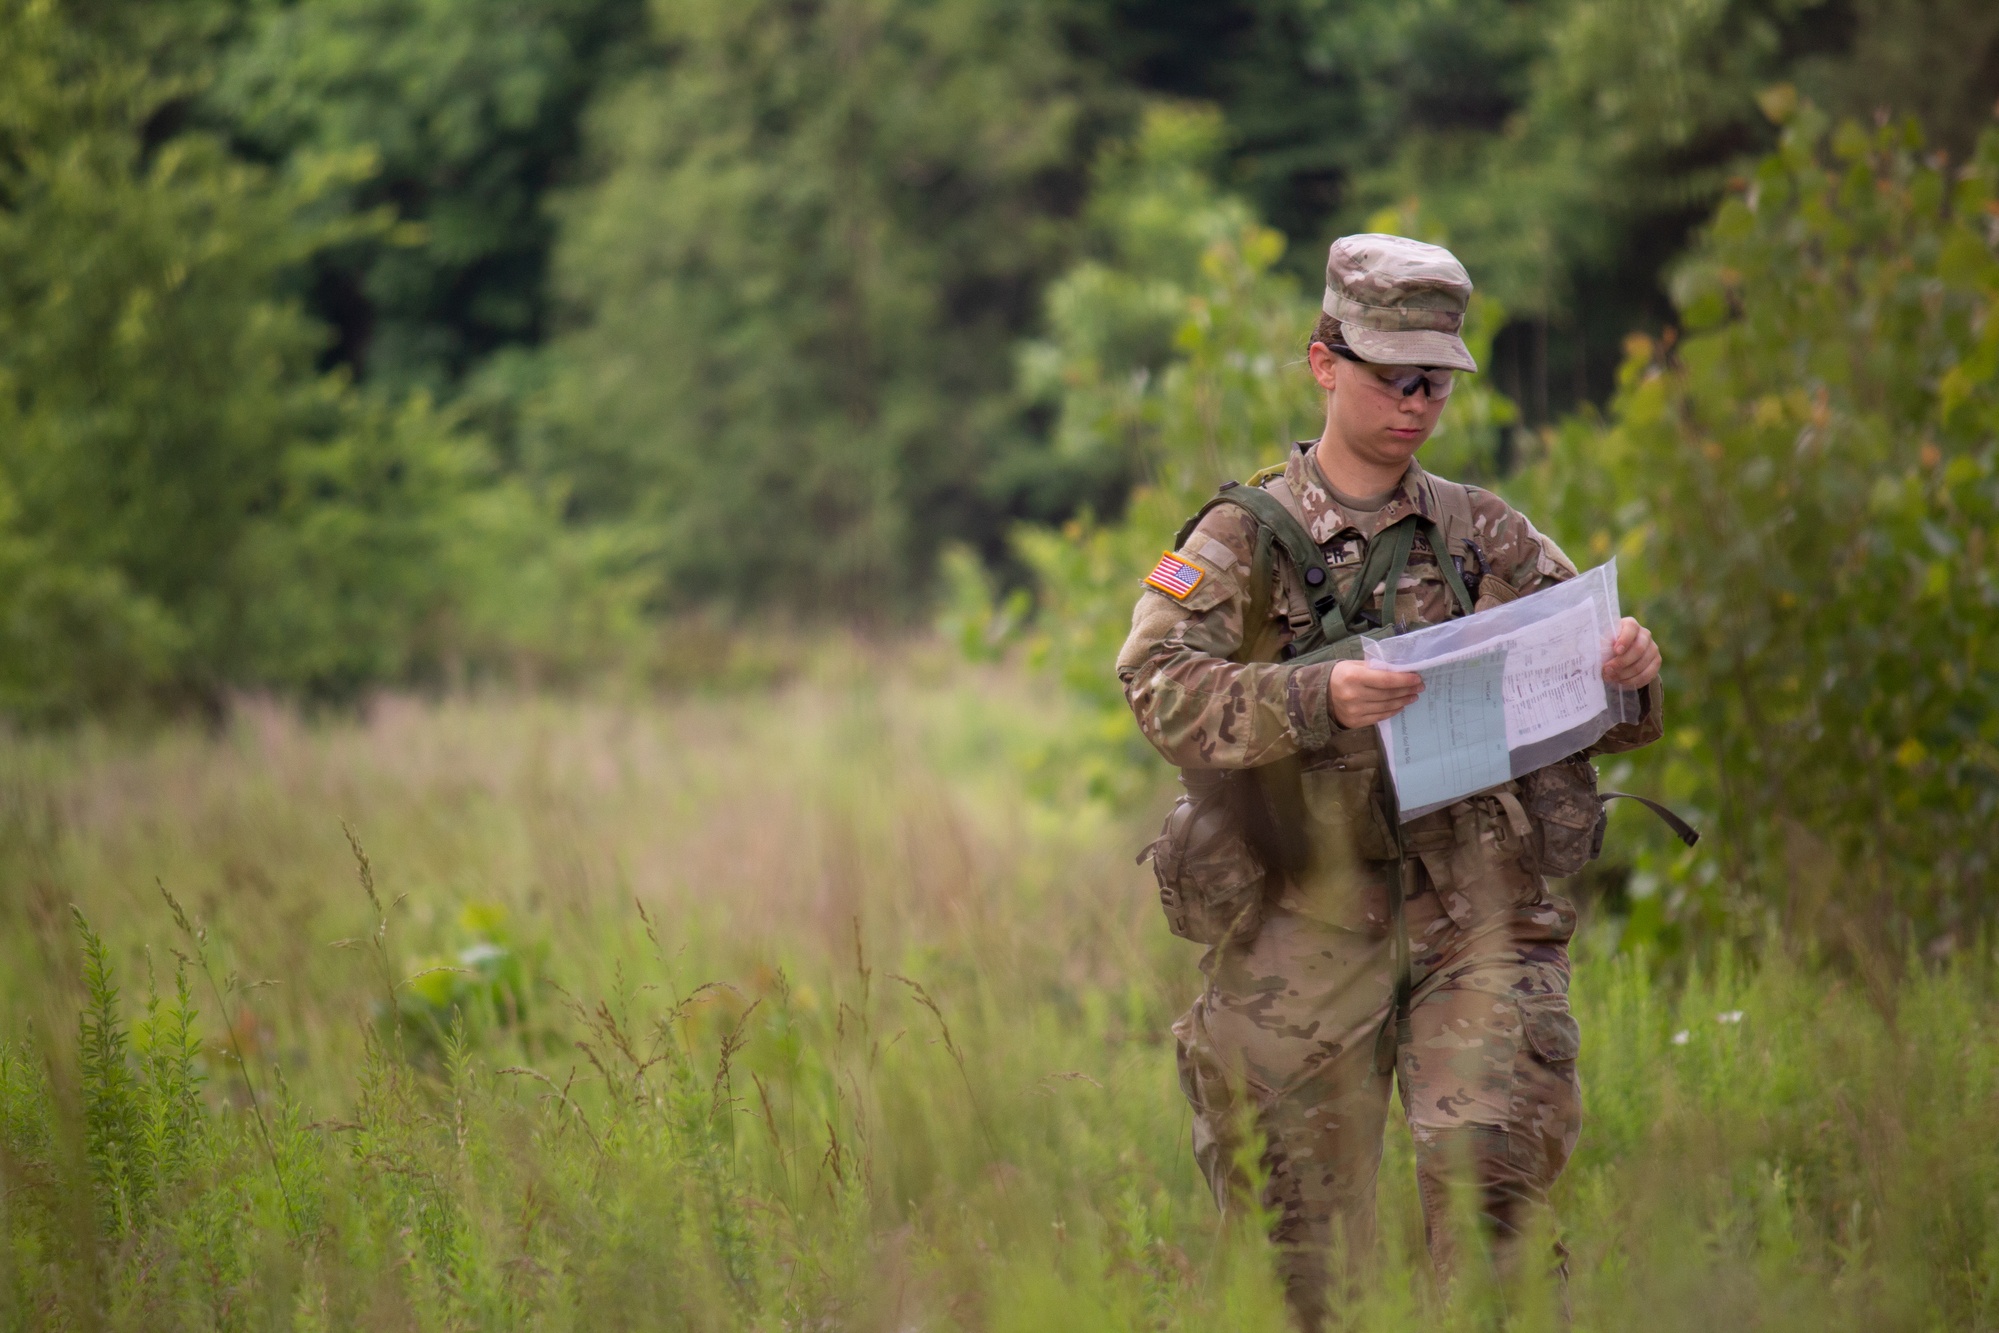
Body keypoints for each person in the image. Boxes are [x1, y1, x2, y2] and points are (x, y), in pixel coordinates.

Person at [1118, 234, 1664, 1328]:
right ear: (1324, 363)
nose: (1416, 404)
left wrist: (1628, 675)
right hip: (1300, 916)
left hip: (1479, 910)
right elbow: (1155, 687)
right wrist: (1315, 696)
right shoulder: (1239, 537)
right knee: (1295, 1257)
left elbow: (1599, 704)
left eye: (1434, 382)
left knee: (1494, 1217)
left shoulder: (1482, 531)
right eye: (1391, 378)